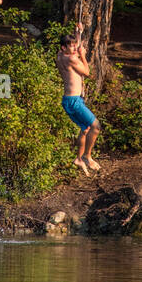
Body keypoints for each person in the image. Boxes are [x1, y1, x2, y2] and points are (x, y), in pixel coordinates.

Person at [56, 26, 100, 175]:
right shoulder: (73, 58)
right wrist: (82, 55)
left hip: (68, 100)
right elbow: (87, 72)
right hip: (74, 101)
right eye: (71, 45)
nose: (75, 48)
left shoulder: (60, 56)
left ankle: (78, 159)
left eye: (75, 45)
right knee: (96, 126)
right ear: (64, 47)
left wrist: (77, 34)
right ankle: (87, 157)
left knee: (85, 129)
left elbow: (73, 49)